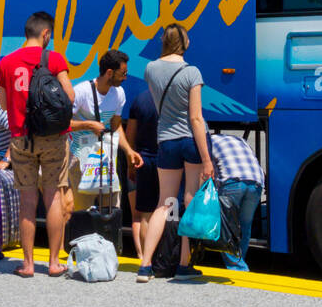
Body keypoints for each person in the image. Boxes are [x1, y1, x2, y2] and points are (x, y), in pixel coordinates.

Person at [0, 10, 76, 277]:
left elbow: (2, 103)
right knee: (53, 196)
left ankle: (28, 265)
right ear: (45, 34)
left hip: (21, 139)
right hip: (54, 138)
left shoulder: (6, 62)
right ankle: (53, 263)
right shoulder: (53, 59)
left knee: (27, 200)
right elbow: (70, 95)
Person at [136, 23, 215, 282]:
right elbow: (195, 118)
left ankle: (146, 265)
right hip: (190, 142)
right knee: (189, 200)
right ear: (185, 42)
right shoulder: (192, 72)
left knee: (164, 203)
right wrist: (206, 159)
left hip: (166, 141)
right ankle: (183, 265)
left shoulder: (150, 69)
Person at [64, 49, 142, 222]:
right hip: (80, 158)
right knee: (82, 212)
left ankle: (109, 245)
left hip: (106, 158)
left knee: (111, 210)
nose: (125, 78)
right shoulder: (82, 92)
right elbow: (63, 124)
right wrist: (87, 124)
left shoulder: (119, 93)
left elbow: (116, 127)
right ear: (109, 72)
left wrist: (129, 151)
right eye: (123, 73)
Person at [209, 132, 263, 271]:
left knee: (226, 226)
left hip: (232, 182)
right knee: (244, 226)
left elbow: (208, 171)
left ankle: (237, 266)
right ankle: (240, 259)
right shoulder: (239, 140)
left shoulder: (207, 143)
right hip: (256, 183)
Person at [123, 88, 161, 255]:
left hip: (142, 160)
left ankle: (144, 257)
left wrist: (130, 163)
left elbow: (130, 134)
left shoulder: (140, 99)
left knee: (142, 215)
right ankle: (161, 254)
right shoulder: (170, 97)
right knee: (165, 212)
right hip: (166, 161)